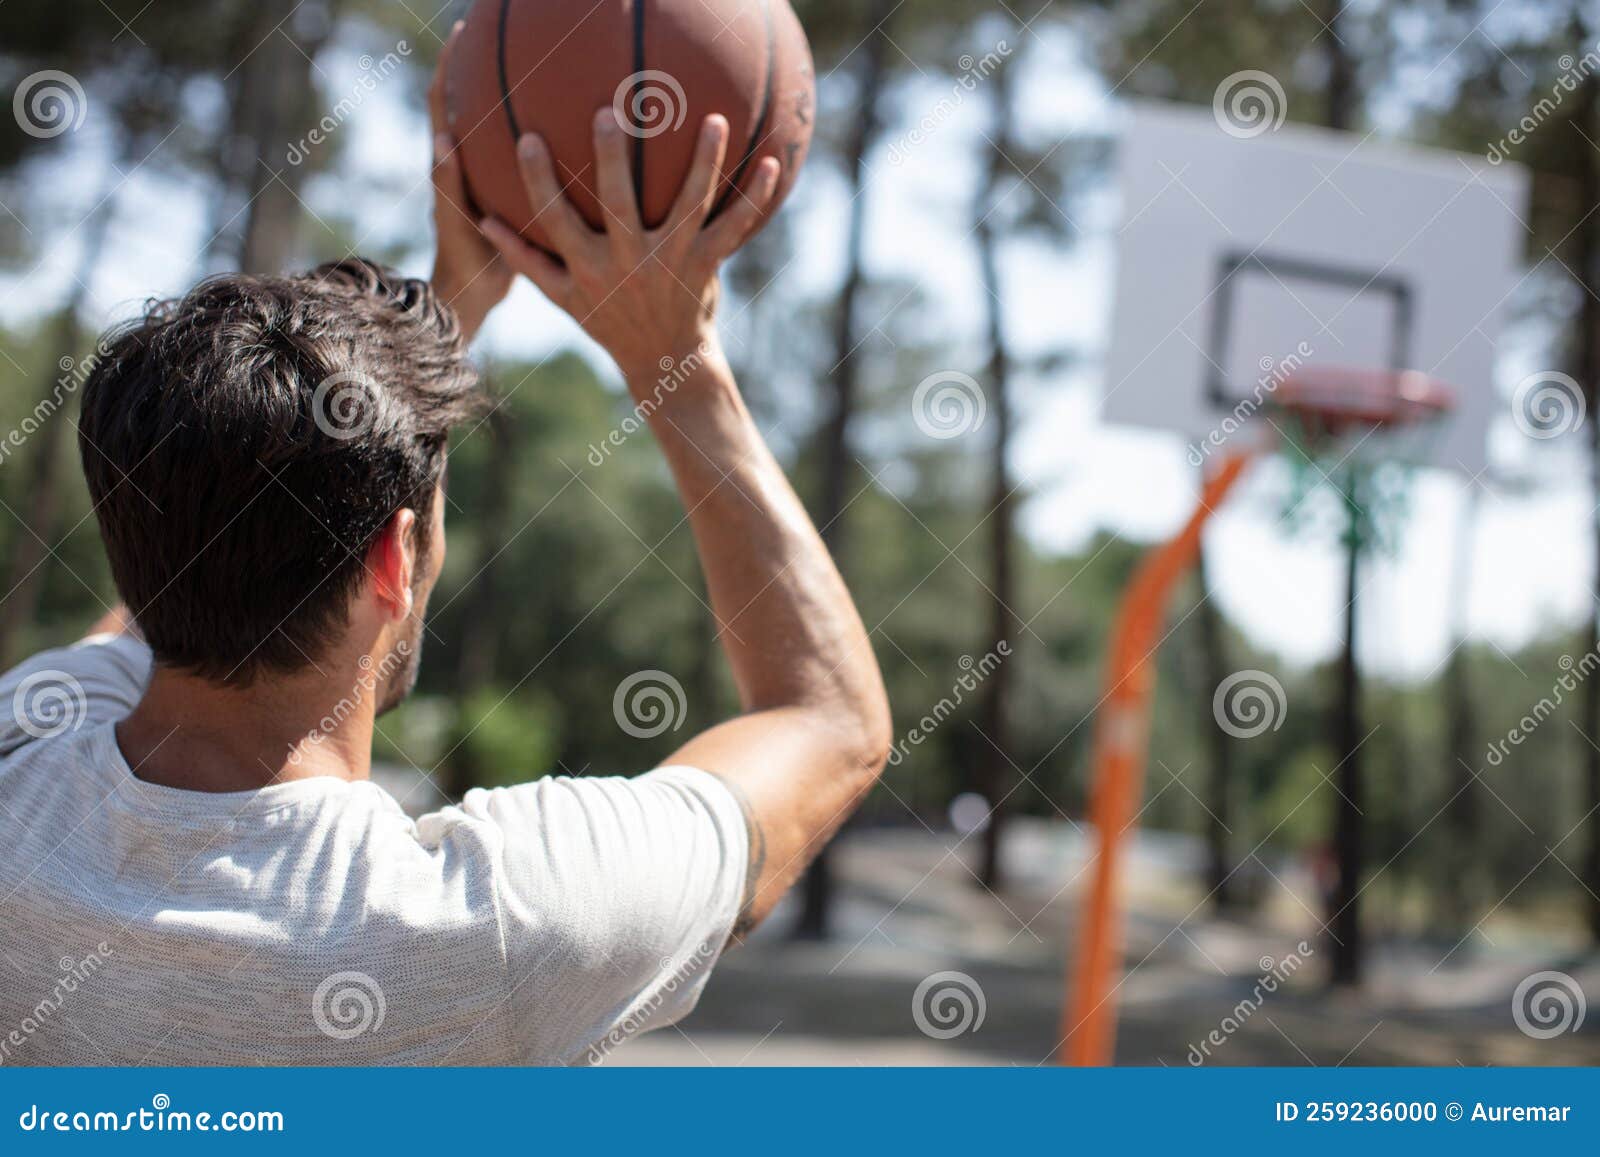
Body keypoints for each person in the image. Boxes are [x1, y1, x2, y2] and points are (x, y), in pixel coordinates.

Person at [0, 40, 890, 1065]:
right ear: (395, 559)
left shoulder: (26, 754)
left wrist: (428, 337)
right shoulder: (500, 925)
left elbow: (163, 581)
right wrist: (677, 364)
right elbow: (830, 721)